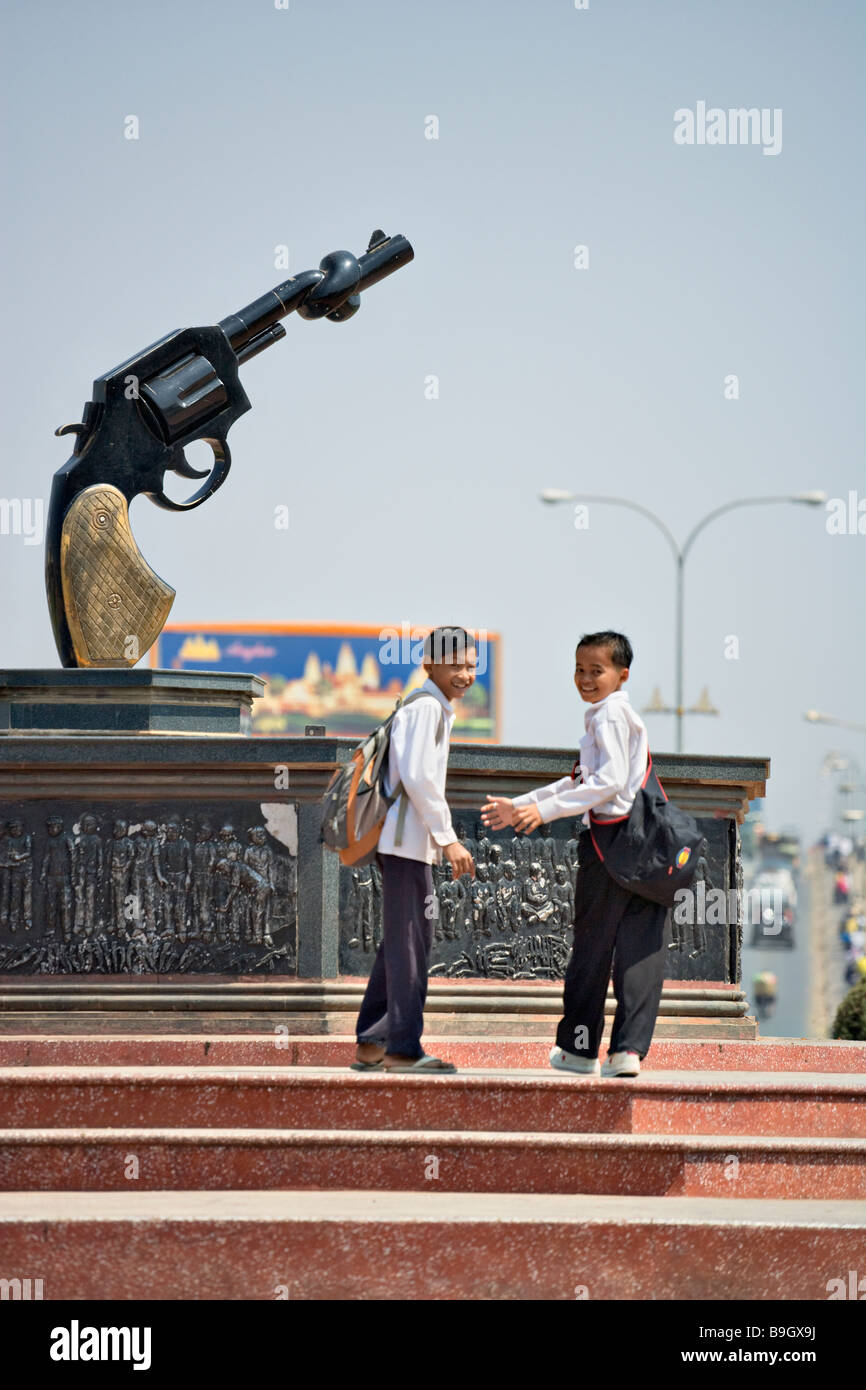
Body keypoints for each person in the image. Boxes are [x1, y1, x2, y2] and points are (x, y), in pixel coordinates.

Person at [481, 630, 664, 1079]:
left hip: (608, 849)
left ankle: (581, 1051)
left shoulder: (608, 716)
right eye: (579, 669)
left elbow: (607, 784)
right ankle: (626, 1052)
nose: (585, 678)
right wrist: (525, 806)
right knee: (639, 952)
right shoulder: (613, 716)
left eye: (596, 670)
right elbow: (579, 781)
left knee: (592, 950)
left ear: (622, 675)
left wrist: (540, 812)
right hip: (645, 850)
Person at [353, 626, 477, 1073]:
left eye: (471, 665)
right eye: (455, 664)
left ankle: (372, 1040)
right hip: (406, 842)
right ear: (430, 664)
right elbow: (419, 776)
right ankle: (403, 1048)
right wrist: (449, 838)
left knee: (405, 939)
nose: (465, 673)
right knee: (411, 942)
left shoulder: (430, 708)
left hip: (406, 843)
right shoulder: (426, 709)